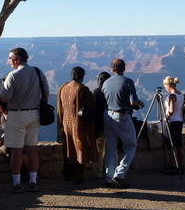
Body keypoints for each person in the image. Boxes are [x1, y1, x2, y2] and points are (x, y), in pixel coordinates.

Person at [0, 47, 49, 193]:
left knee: (16, 150)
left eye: (10, 59)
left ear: (17, 59)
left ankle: (16, 183)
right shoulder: (38, 72)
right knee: (32, 149)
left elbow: (6, 98)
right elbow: (46, 92)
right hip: (35, 113)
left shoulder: (13, 76)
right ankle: (33, 181)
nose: (9, 61)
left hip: (17, 114)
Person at [101, 59, 144, 189]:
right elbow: (133, 102)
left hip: (107, 115)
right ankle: (119, 175)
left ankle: (109, 178)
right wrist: (141, 103)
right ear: (124, 68)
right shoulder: (128, 82)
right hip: (122, 116)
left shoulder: (106, 83)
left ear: (112, 69)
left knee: (110, 147)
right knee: (131, 145)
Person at [57, 67, 96, 184]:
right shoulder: (82, 89)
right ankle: (79, 177)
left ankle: (67, 174)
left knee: (68, 147)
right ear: (82, 76)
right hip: (78, 123)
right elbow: (91, 105)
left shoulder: (63, 88)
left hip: (65, 123)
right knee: (80, 148)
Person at [161, 76, 185, 175]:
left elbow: (171, 110)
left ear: (168, 85)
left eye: (165, 86)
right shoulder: (181, 94)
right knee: (179, 144)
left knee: (171, 146)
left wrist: (166, 117)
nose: (165, 88)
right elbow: (182, 108)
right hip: (179, 121)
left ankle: (172, 166)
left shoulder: (172, 96)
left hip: (171, 122)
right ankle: (181, 165)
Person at [91, 72, 111, 179]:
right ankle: (111, 171)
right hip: (111, 124)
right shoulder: (111, 92)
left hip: (99, 126)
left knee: (99, 151)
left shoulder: (97, 92)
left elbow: (94, 111)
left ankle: (98, 173)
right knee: (111, 150)